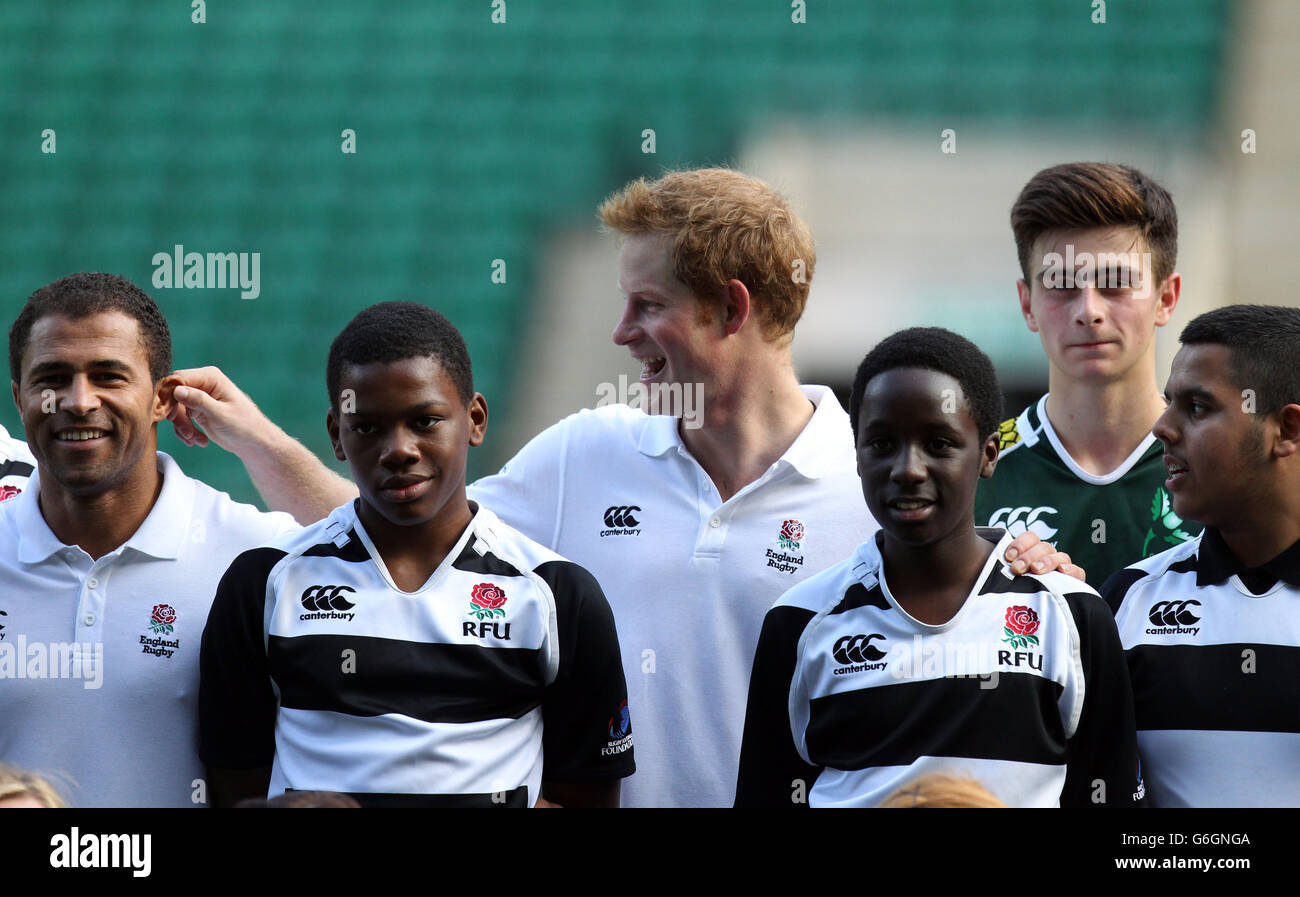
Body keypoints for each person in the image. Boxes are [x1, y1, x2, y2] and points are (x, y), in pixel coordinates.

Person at [468, 168, 1077, 807]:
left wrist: (1031, 562)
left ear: (732, 308)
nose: (621, 330)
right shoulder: (581, 454)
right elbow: (409, 538)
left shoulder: (883, 487)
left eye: (648, 304)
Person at [199, 302, 634, 808]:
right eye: (367, 427)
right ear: (336, 435)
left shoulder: (557, 593)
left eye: (425, 421)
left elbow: (590, 799)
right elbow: (230, 793)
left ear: (474, 419)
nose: (399, 449)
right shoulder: (264, 583)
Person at [734, 328, 1141, 808]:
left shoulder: (1070, 615)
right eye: (882, 444)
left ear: (988, 455)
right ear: (857, 455)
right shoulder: (799, 621)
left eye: (939, 444)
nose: (908, 468)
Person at [0, 272, 345, 807]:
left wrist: (260, 440)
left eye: (109, 376)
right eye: (52, 378)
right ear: (20, 398)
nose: (78, 401)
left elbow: (386, 549)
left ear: (163, 398)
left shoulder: (251, 556)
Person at [1102, 305, 1300, 807]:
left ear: (1288, 430)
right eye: (1169, 403)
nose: (1161, 427)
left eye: (1196, 407)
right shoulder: (1126, 599)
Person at [975, 162, 1201, 588]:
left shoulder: (1223, 469)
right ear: (1027, 304)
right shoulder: (973, 473)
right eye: (1061, 286)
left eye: (1115, 284)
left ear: (1166, 298)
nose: (1089, 311)